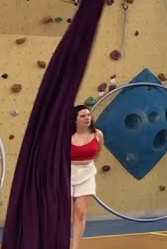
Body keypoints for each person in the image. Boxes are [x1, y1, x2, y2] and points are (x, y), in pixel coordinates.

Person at [69, 104, 103, 249]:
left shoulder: (98, 134)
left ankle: (74, 246)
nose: (87, 118)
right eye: (82, 116)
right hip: (68, 173)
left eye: (88, 115)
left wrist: (89, 165)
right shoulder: (67, 136)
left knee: (81, 212)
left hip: (87, 173)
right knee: (64, 213)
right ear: (75, 119)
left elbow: (98, 152)